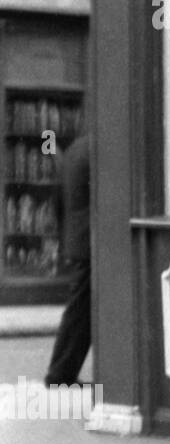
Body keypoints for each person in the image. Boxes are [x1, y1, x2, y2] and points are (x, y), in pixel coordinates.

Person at [45, 133, 91, 386]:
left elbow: (57, 198)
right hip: (90, 242)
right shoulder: (96, 151)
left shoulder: (74, 149)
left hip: (77, 239)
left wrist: (65, 237)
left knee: (80, 311)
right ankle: (60, 374)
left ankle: (62, 373)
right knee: (79, 312)